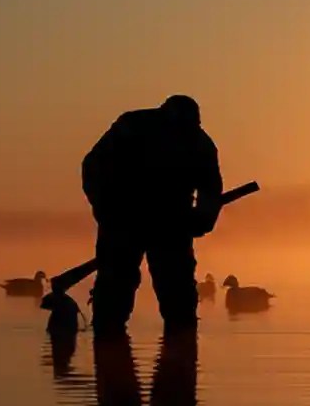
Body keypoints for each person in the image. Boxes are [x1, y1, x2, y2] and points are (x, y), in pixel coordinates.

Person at [82, 95, 223, 335]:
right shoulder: (131, 127)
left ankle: (179, 358)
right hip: (123, 221)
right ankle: (109, 352)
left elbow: (210, 188)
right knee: (114, 293)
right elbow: (93, 167)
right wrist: (105, 209)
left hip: (172, 226)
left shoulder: (200, 143)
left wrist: (201, 220)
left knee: (178, 300)